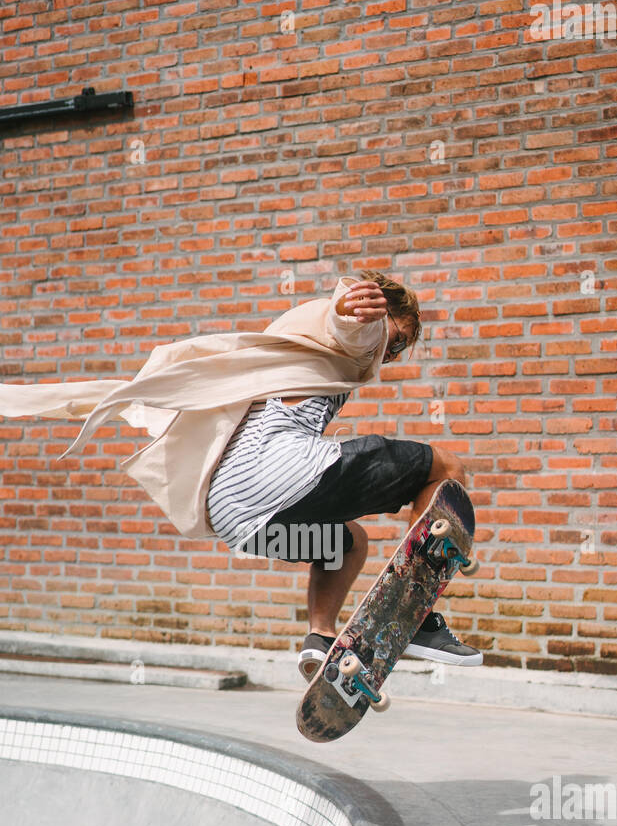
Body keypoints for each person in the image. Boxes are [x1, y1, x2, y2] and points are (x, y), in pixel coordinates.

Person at [205, 270, 482, 677]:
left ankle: (319, 637)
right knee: (447, 469)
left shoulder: (301, 341)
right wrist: (350, 309)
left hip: (239, 520)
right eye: (398, 339)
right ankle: (415, 611)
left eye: (399, 349)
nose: (390, 353)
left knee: (348, 543)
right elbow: (348, 324)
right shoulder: (350, 327)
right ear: (381, 312)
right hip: (278, 471)